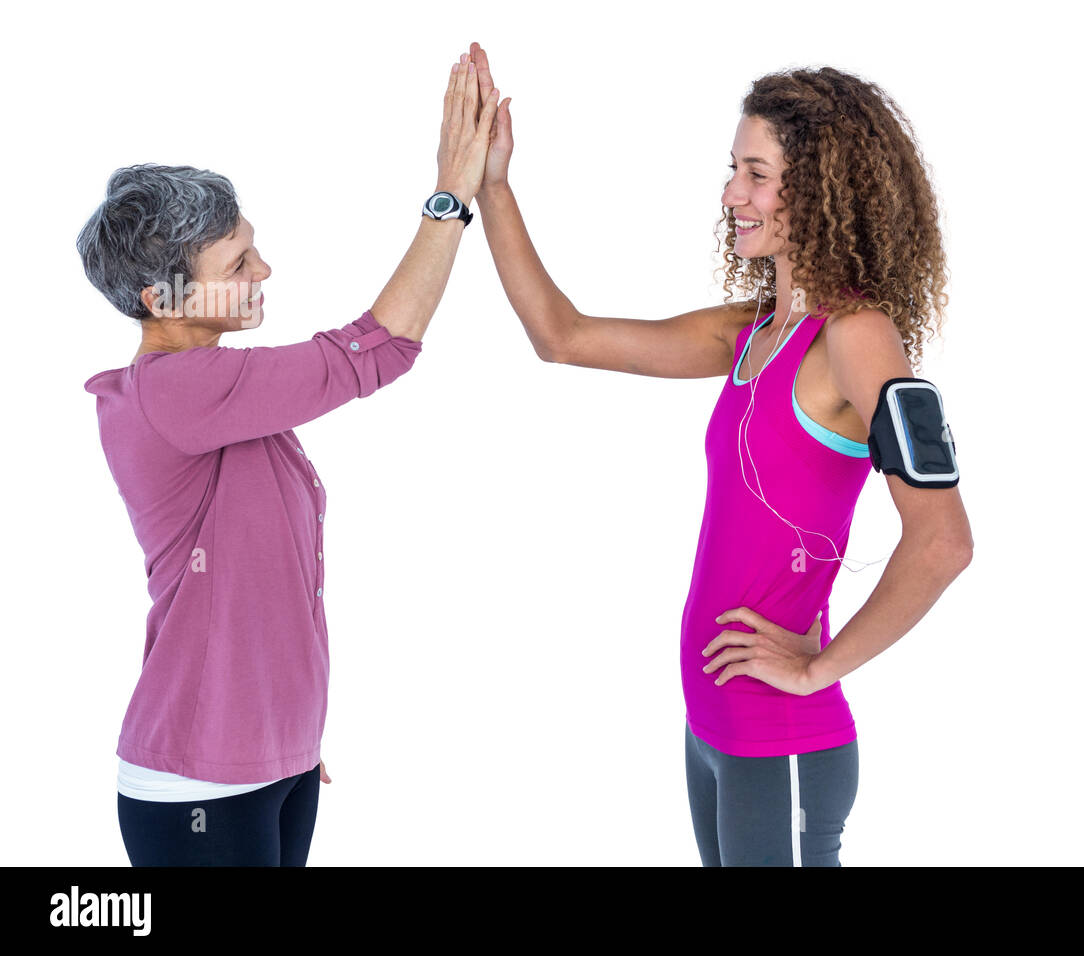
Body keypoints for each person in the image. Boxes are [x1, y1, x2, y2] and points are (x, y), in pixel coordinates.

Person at [466, 42, 973, 865]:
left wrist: (820, 667)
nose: (732, 193)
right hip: (715, 728)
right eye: (734, 169)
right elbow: (561, 336)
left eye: (756, 173)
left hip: (785, 738)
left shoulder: (856, 337)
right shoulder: (752, 331)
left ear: (821, 189)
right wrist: (494, 184)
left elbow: (945, 540)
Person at [77, 52, 500, 865]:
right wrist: (451, 195)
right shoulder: (180, 391)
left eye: (253, 247)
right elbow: (374, 352)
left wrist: (282, 741)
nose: (264, 269)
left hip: (275, 759)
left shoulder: (226, 396)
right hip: (200, 781)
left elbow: (257, 584)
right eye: (237, 264)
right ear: (159, 300)